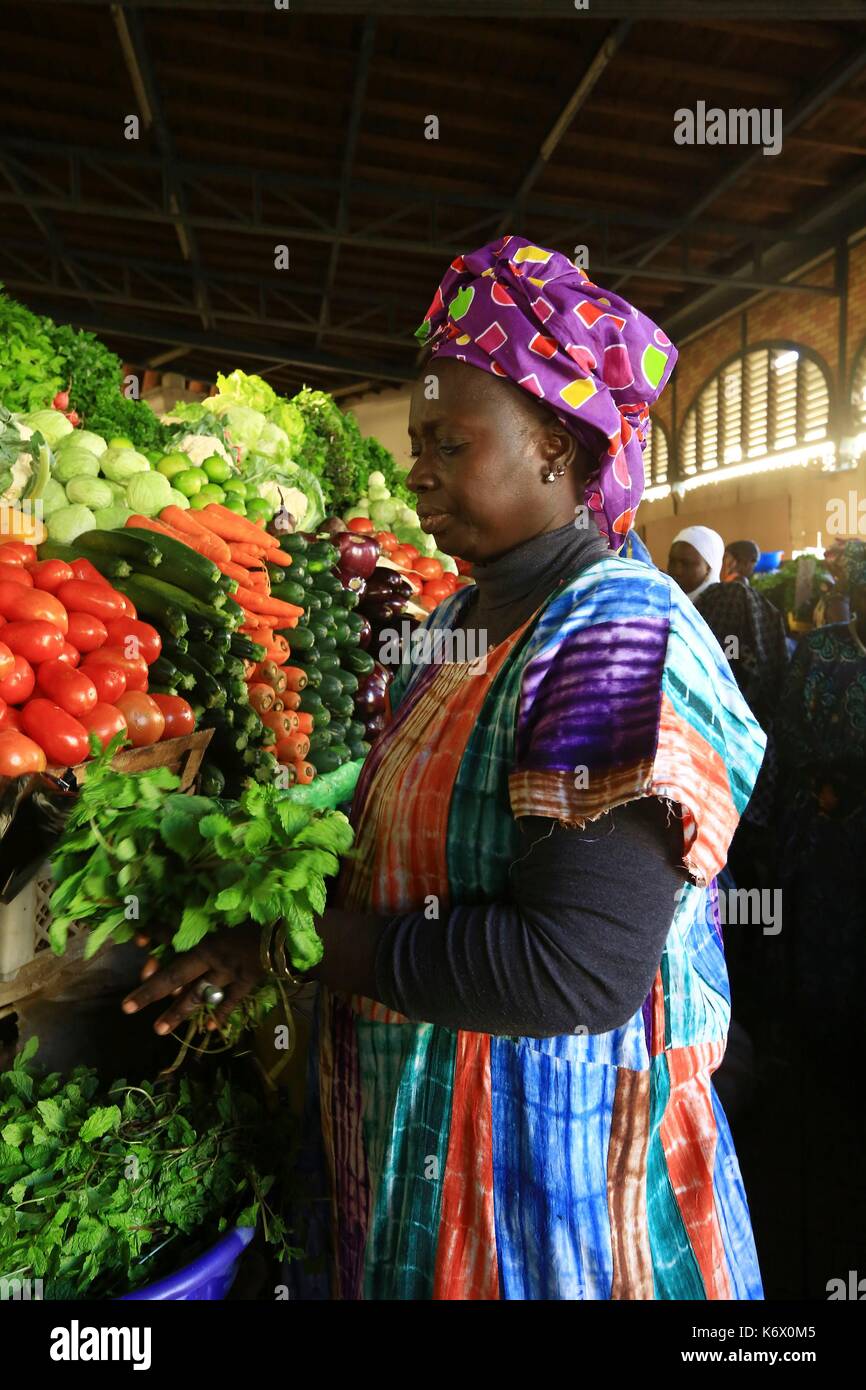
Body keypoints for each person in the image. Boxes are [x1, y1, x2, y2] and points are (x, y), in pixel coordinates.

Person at [122, 236, 766, 1301]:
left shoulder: (614, 637)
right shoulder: (464, 619)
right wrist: (256, 916)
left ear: (558, 447)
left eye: (447, 442)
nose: (414, 468)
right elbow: (398, 829)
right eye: (415, 440)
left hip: (560, 1210)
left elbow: (573, 969)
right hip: (436, 1179)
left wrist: (300, 941)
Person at [667, 524, 725, 601]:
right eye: (672, 561)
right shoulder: (661, 600)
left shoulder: (723, 604)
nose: (677, 571)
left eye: (686, 564)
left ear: (709, 568)